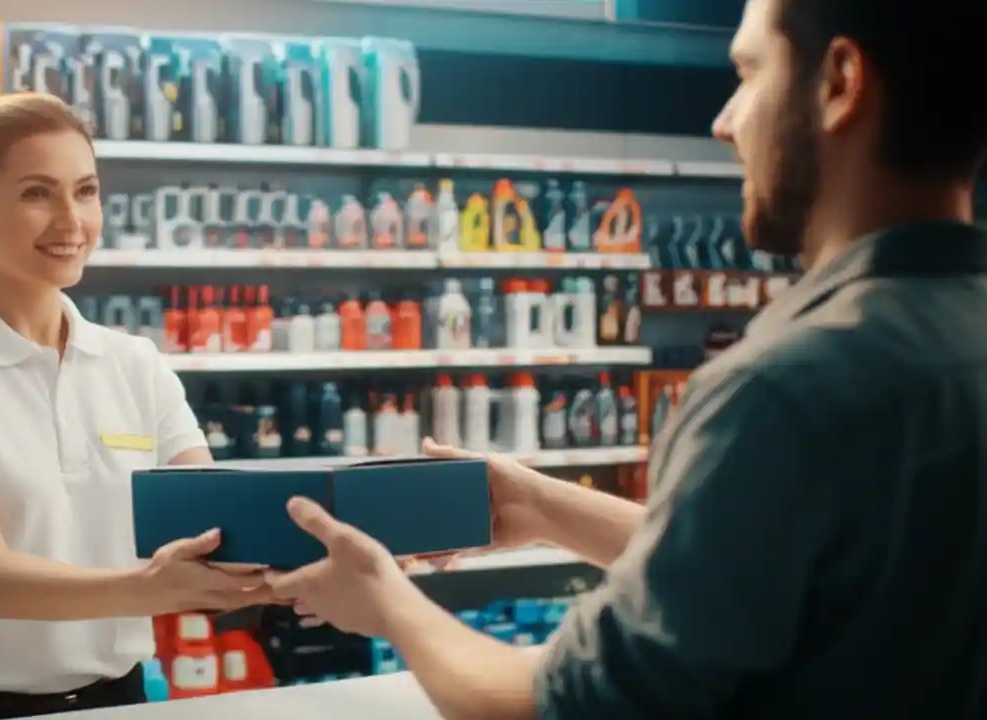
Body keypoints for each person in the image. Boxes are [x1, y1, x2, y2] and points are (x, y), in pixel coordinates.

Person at [268, 1, 987, 718]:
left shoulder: (784, 391)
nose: (725, 121)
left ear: (839, 81)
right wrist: (541, 504)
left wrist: (384, 600)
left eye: (748, 73)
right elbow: (778, 562)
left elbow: (556, 711)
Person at [0, 93, 272, 720]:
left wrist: (350, 551)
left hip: (120, 701)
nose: (71, 221)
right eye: (38, 193)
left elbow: (217, 529)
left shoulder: (135, 364)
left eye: (85, 191)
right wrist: (147, 588)